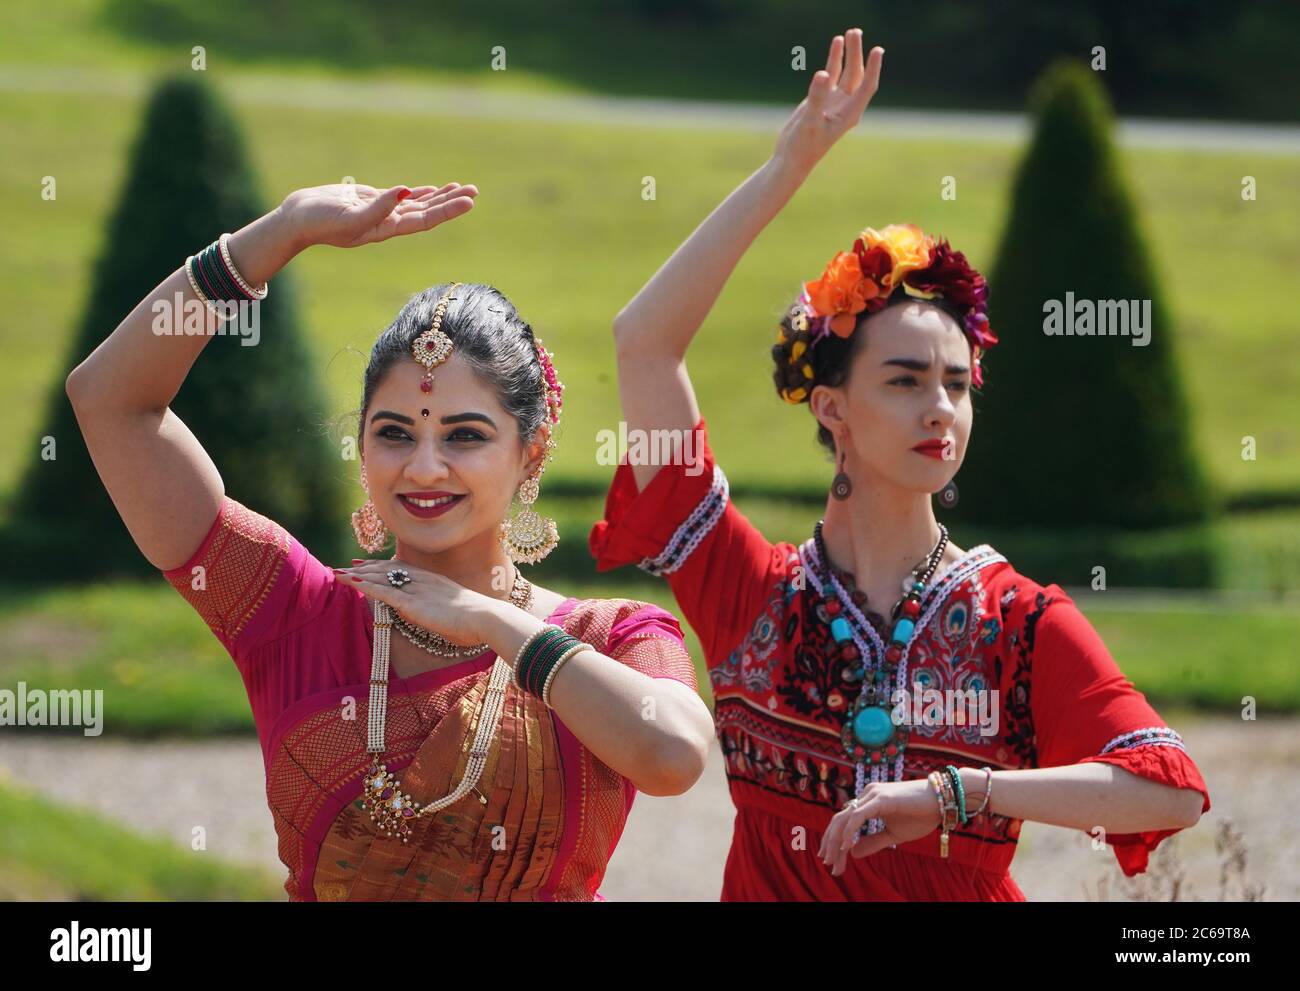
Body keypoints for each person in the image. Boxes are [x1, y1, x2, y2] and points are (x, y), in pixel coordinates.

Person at [589, 29, 1210, 900]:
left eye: (958, 384)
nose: (941, 408)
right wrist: (785, 169)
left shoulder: (1019, 625)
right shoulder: (747, 592)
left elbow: (1168, 787)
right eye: (907, 380)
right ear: (832, 406)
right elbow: (644, 345)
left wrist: (962, 793)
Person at [66, 179, 714, 901]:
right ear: (364, 447)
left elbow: (674, 752)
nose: (425, 467)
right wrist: (278, 235)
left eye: (465, 436)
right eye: (394, 434)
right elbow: (109, 403)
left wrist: (493, 621)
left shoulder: (614, 635)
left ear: (531, 454)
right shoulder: (291, 611)